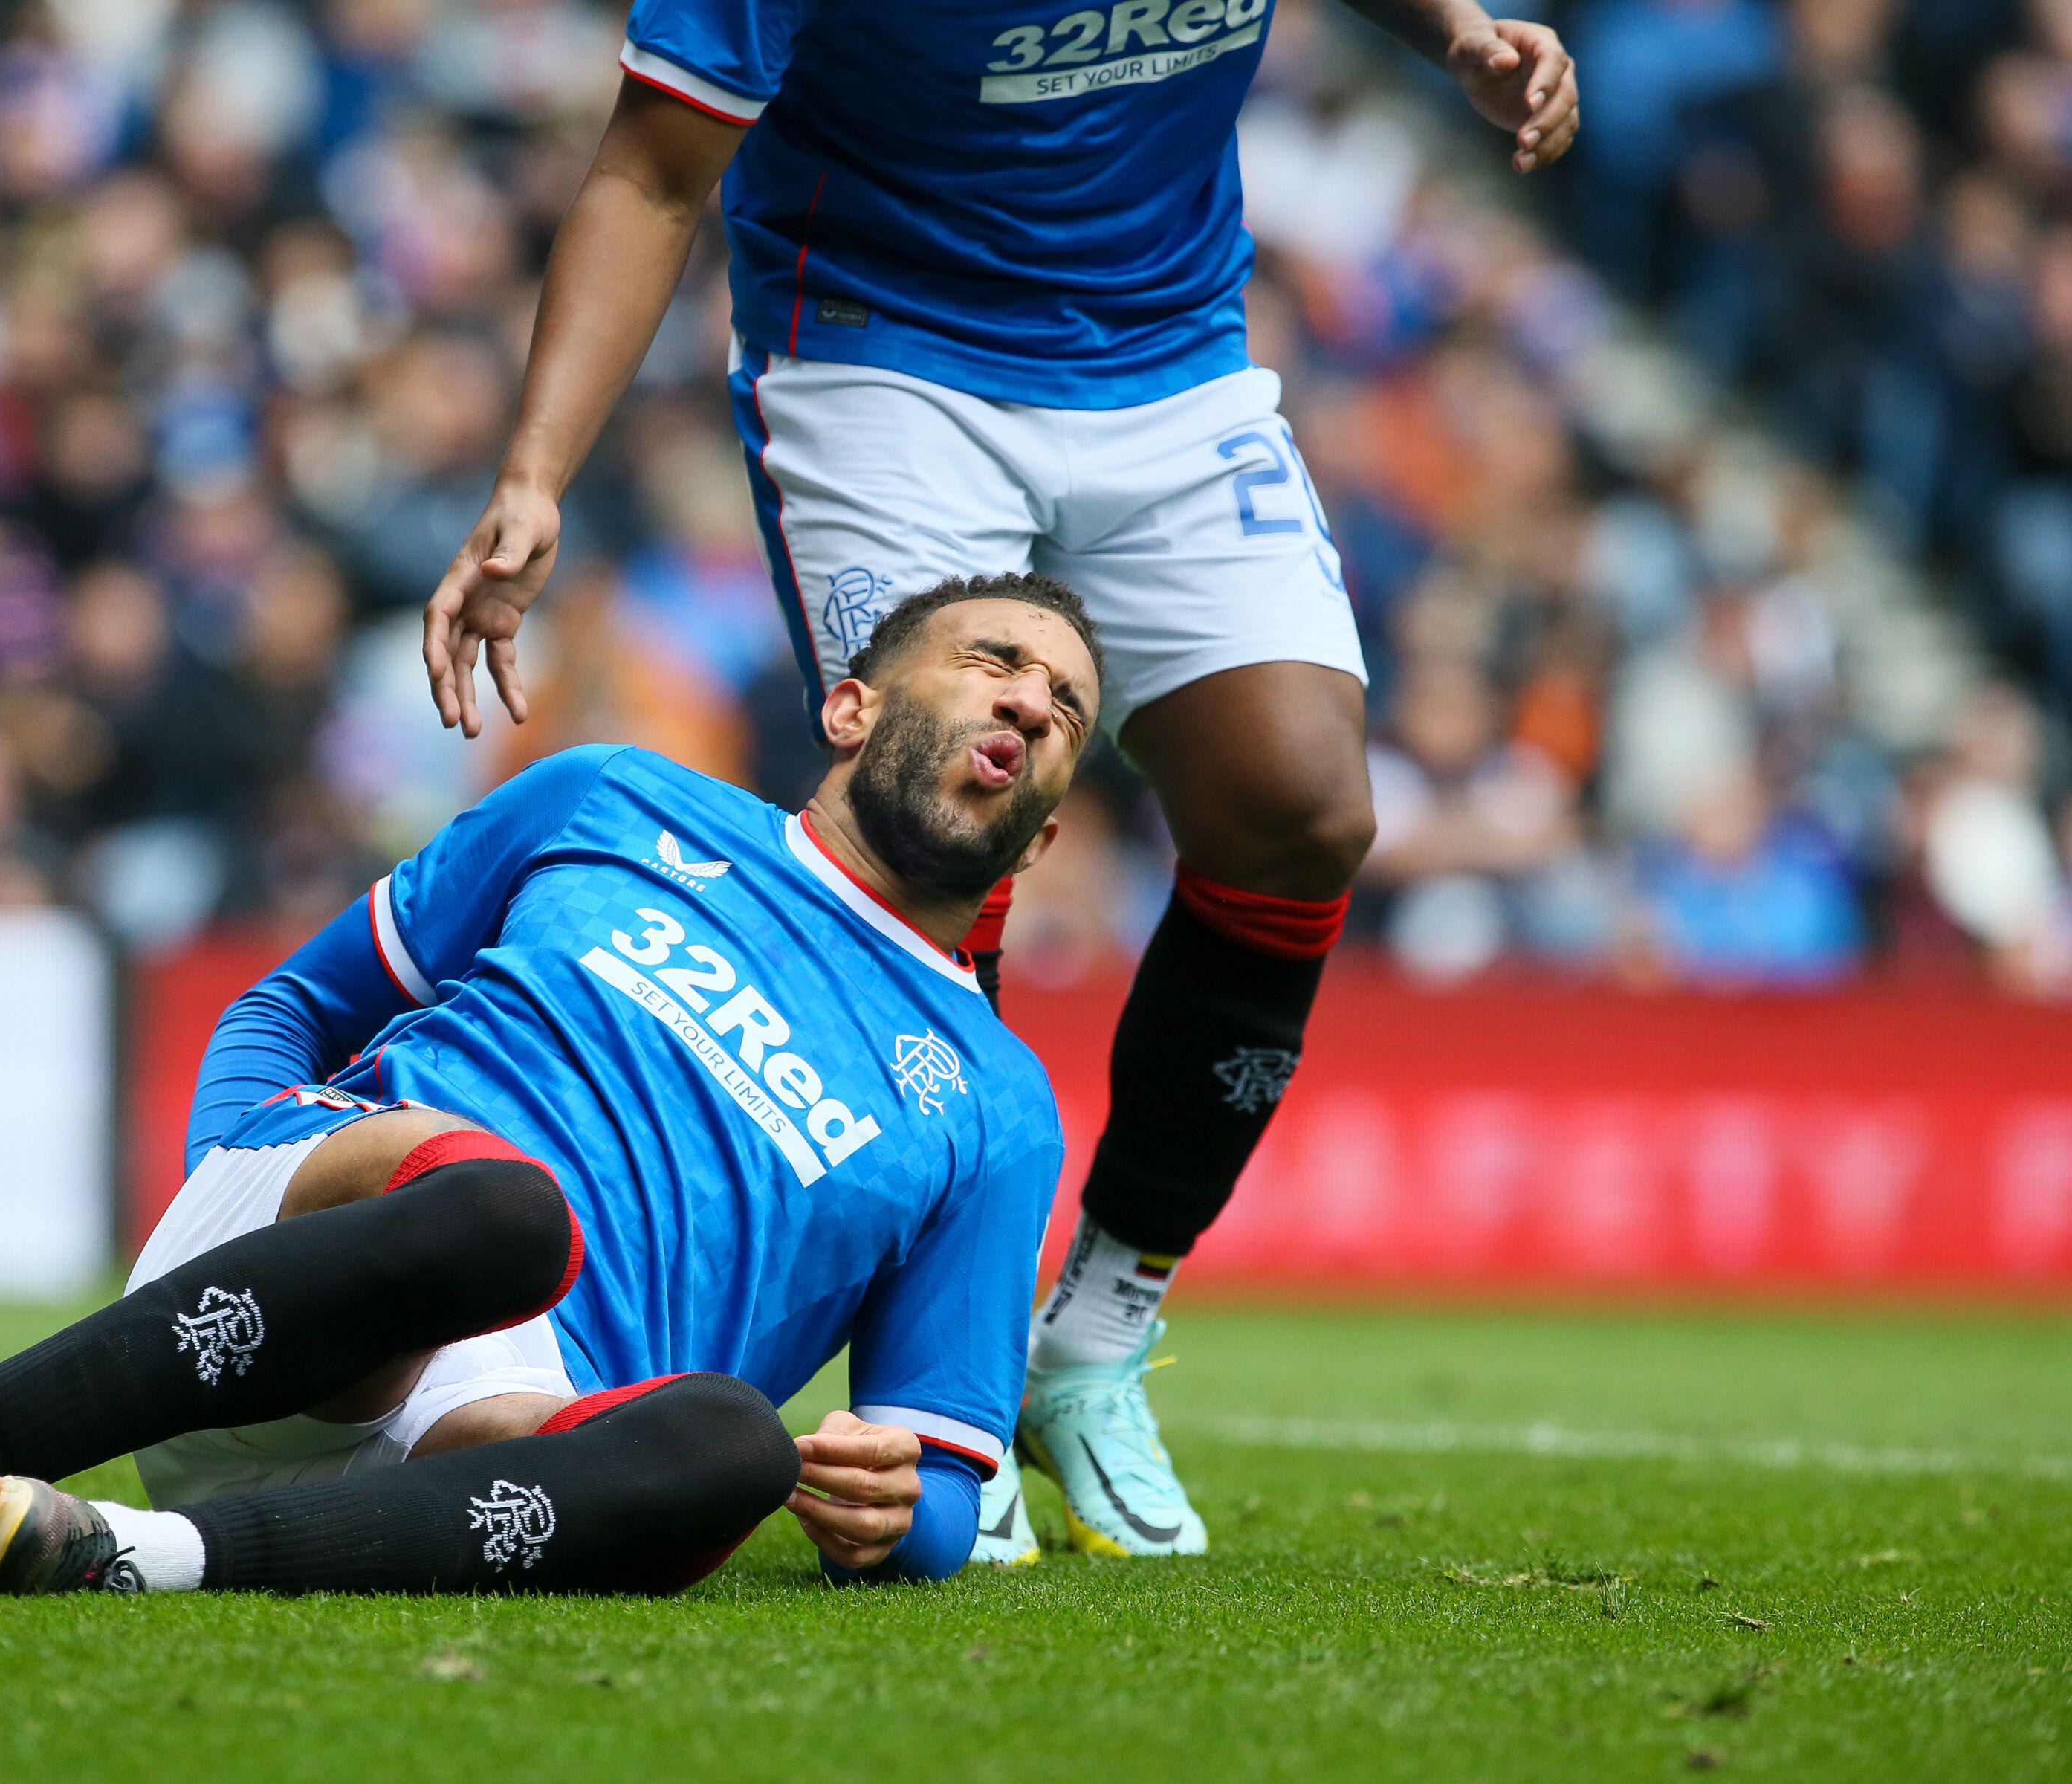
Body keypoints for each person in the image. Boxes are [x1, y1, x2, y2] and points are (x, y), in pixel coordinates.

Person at [421, 0, 1579, 1565]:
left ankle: (1091, 1339)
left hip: (1170, 358)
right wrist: (535, 474)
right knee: (938, 848)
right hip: (885, 361)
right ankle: (931, 1404)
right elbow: (653, 172)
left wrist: (1455, 34)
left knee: (1304, 811)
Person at [0, 574, 1097, 1598]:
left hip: (480, 1451)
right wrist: (245, 1164)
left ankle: (137, 1558)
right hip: (331, 1253)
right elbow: (297, 1004)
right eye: (995, 663)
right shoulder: (612, 799)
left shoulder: (998, 1104)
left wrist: (895, 1515)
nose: (1030, 705)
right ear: (850, 707)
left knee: (732, 1443)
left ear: (1037, 844)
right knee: (508, 1221)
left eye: (1069, 712)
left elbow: (948, 1479)